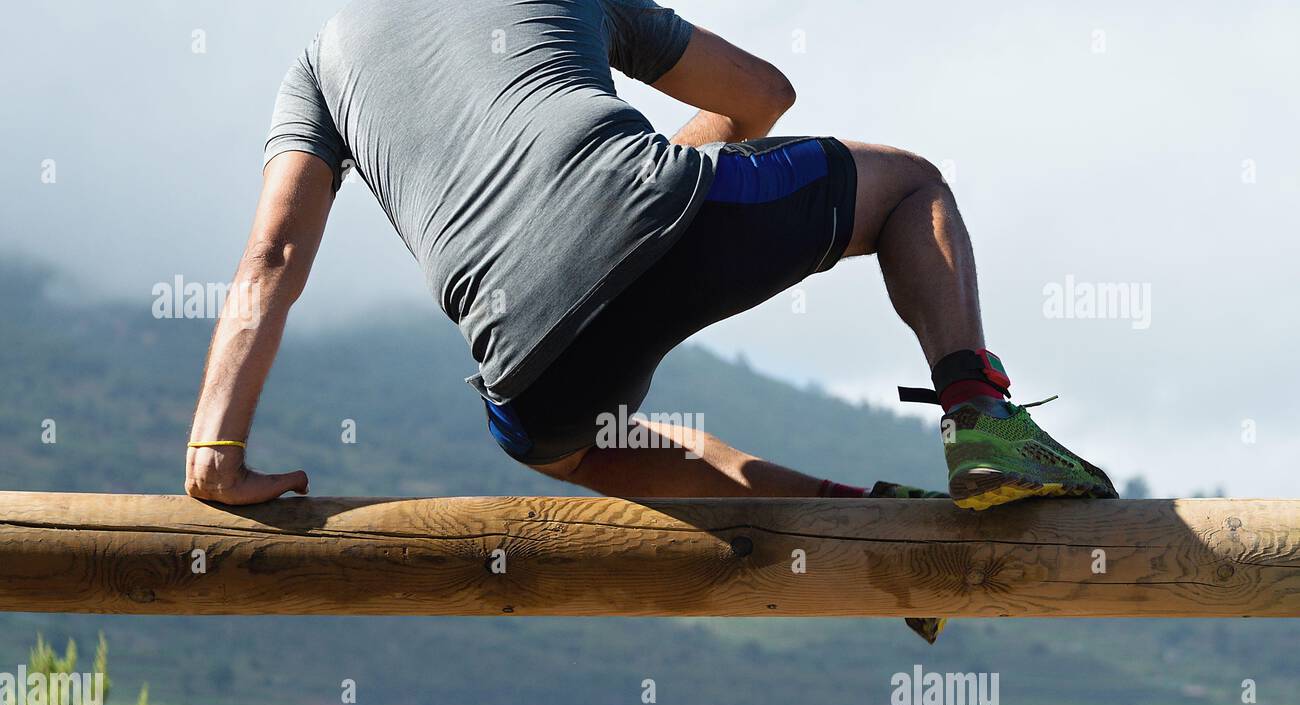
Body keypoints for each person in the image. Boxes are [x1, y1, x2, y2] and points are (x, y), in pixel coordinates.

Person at [185, 0, 1116, 514]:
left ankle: (850, 518)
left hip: (523, 362)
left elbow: (272, 255)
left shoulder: (318, 64)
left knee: (586, 447)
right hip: (654, 210)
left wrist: (216, 450)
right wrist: (629, 187)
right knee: (911, 184)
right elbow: (763, 94)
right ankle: (980, 418)